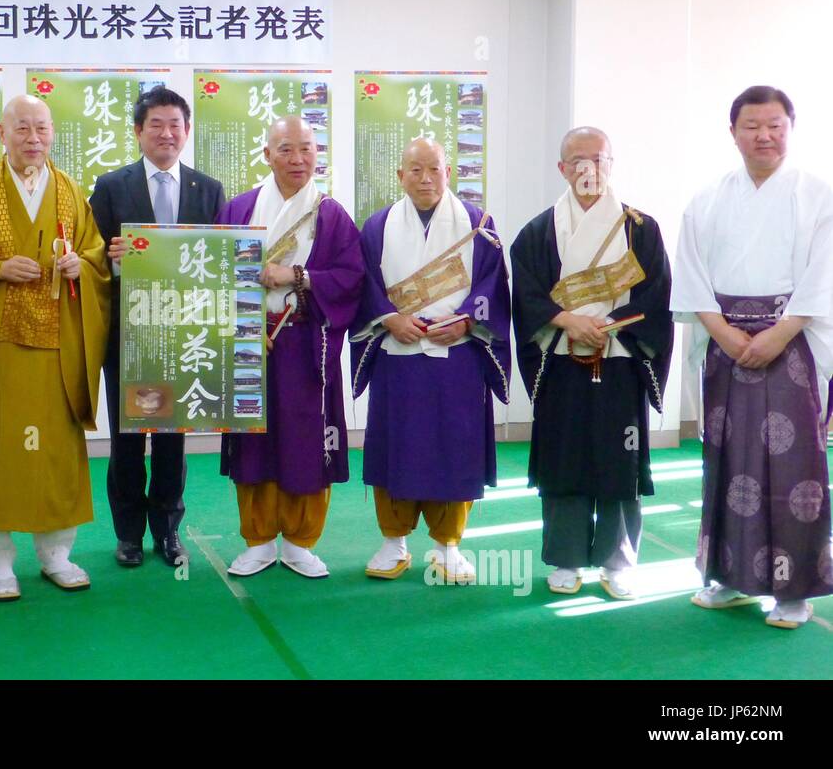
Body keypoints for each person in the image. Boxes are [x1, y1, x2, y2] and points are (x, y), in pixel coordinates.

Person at [672, 86, 833, 628]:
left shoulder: (818, 195)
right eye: (752, 126)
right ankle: (728, 577)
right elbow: (692, 277)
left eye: (775, 125)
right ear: (733, 130)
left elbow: (822, 280)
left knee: (796, 466)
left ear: (791, 127)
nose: (764, 136)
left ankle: (794, 590)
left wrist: (778, 334)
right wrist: (723, 334)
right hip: (726, 346)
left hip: (793, 344)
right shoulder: (708, 199)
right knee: (726, 460)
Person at [0, 95, 111, 601]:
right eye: (22, 129)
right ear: (1, 132)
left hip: (60, 345)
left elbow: (97, 254)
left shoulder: (71, 191)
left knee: (54, 452)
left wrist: (83, 264)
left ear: (53, 133)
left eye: (41, 129)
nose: (32, 139)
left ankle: (57, 554)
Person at [510, 127, 672, 599]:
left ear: (611, 165)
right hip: (562, 363)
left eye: (599, 159)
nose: (589, 169)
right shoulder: (538, 232)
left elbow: (655, 297)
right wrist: (565, 320)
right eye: (579, 160)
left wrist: (606, 326)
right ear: (562, 168)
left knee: (619, 462)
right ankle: (564, 557)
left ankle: (618, 559)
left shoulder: (641, 229)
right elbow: (526, 295)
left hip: (620, 362)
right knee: (564, 458)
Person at [350, 137, 511, 584]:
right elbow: (363, 286)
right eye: (415, 170)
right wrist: (388, 318)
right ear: (400, 175)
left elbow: (493, 286)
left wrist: (464, 323)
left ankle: (448, 544)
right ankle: (392, 541)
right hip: (396, 357)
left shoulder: (479, 225)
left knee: (454, 449)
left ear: (448, 172)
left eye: (434, 169)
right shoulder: (377, 226)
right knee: (394, 446)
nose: (425, 179)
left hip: (457, 360)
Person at [215, 116, 363, 578]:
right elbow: (215, 275)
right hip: (249, 343)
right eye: (286, 149)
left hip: (306, 343)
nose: (297, 159)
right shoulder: (238, 210)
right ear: (267, 155)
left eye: (306, 149)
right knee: (251, 438)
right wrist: (240, 322)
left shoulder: (330, 213)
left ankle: (301, 540)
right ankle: (257, 538)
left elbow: (350, 277)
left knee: (306, 441)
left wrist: (298, 276)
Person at [92, 86, 226, 567]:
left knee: (173, 437)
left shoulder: (208, 190)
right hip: (129, 336)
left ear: (187, 131)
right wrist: (110, 258)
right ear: (138, 132)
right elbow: (91, 259)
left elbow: (221, 263)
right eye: (156, 125)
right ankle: (128, 534)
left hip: (185, 336)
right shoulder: (110, 187)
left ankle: (168, 531)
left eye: (175, 125)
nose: (167, 134)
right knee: (128, 439)